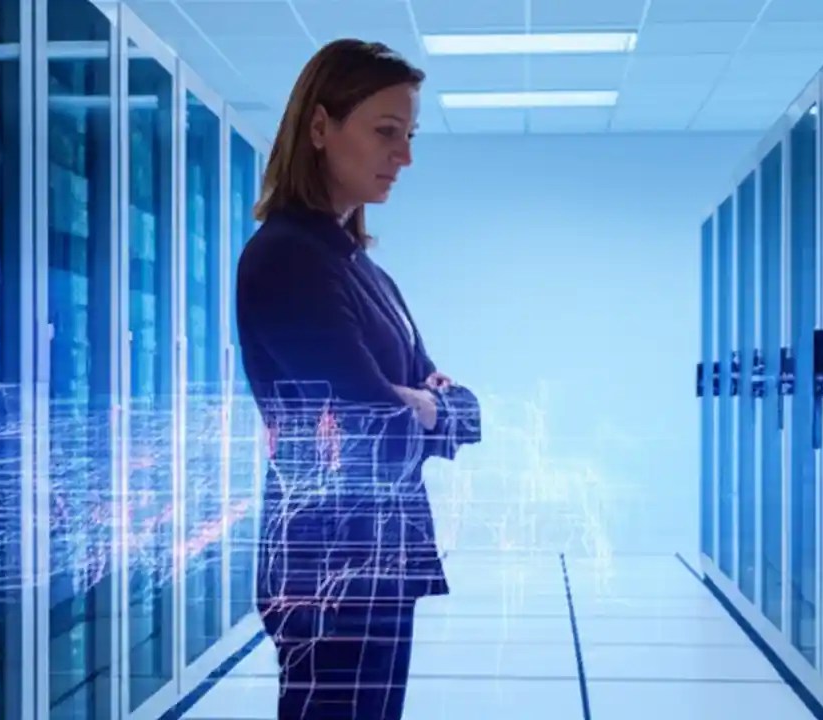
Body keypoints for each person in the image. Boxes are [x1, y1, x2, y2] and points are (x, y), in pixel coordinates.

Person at [234, 38, 459, 720]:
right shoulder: (288, 259)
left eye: (410, 135)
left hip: (379, 560)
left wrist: (423, 407)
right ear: (320, 128)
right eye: (387, 132)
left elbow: (461, 410)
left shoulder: (360, 269)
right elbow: (376, 426)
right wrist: (416, 405)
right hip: (332, 568)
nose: (405, 156)